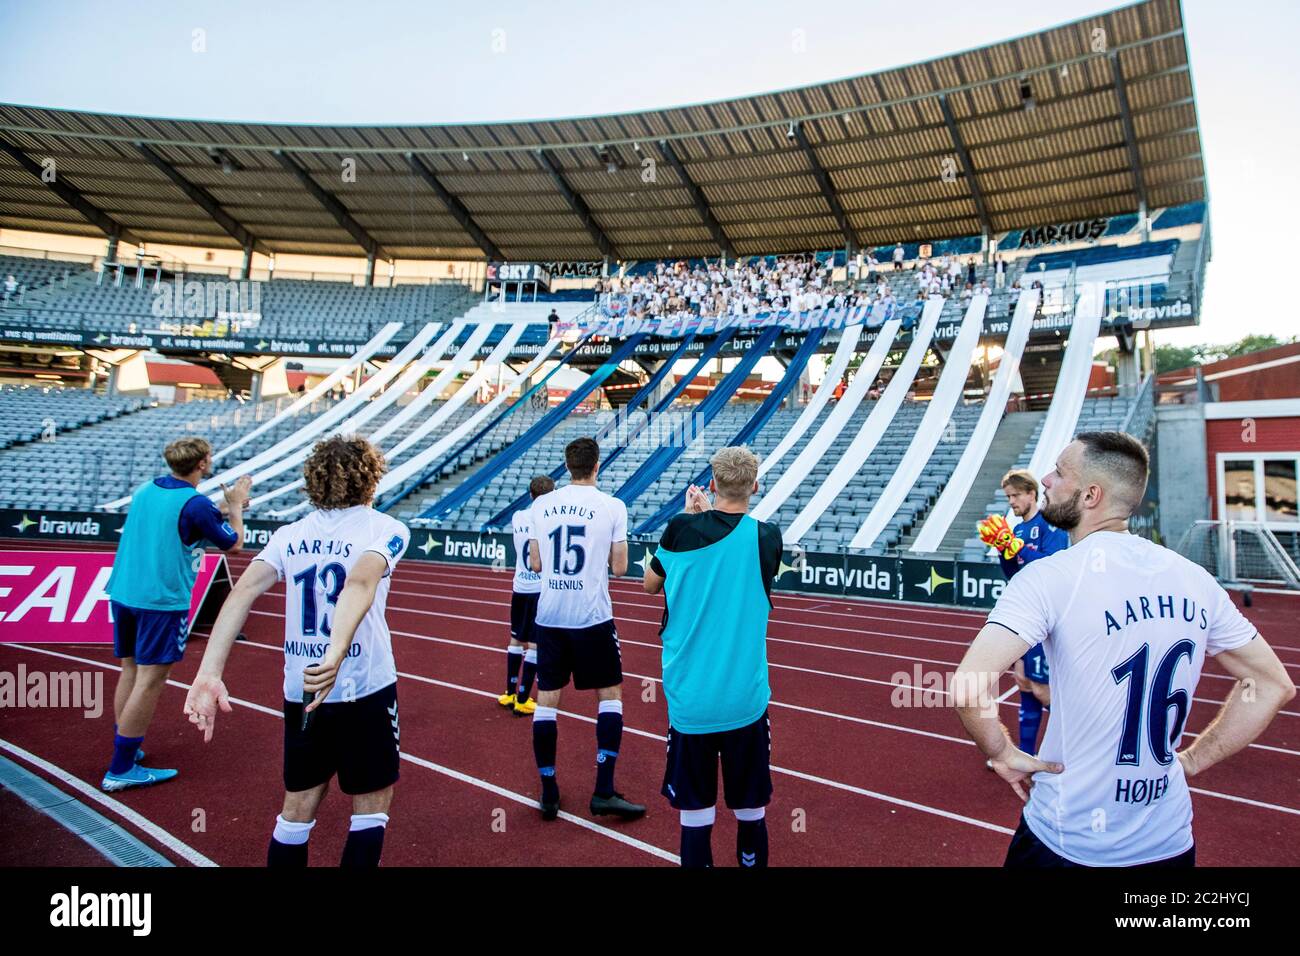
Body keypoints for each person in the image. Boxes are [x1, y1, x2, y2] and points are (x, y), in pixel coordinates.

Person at [953, 432, 1295, 867]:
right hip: (1168, 842)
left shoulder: (1049, 578)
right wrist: (1188, 762)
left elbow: (968, 687)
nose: (1047, 479)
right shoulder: (1196, 580)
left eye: (1059, 472)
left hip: (1066, 839)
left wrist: (1000, 753)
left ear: (1091, 494)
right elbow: (1272, 685)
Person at [183, 435, 410, 868]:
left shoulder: (289, 535)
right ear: (371, 479)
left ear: (313, 480)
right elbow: (360, 582)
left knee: (297, 808)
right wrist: (336, 652)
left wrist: (209, 671)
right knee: (372, 804)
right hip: (363, 686)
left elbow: (241, 593)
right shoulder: (385, 528)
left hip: (301, 690)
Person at [643, 447, 781, 867]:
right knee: (751, 809)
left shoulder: (679, 532)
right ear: (755, 486)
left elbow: (650, 583)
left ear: (713, 484)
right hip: (745, 699)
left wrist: (692, 518)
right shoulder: (767, 537)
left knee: (695, 813)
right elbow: (734, 548)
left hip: (692, 700)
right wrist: (703, 520)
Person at [101, 437, 248, 792]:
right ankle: (120, 767)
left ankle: (127, 749)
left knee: (130, 669)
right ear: (202, 464)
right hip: (161, 601)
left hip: (124, 590)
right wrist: (236, 507)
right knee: (151, 680)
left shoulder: (145, 491)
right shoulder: (196, 505)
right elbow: (235, 543)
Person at [527, 437, 645, 821]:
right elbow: (621, 568)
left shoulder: (541, 504)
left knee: (547, 701)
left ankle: (548, 788)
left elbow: (536, 563)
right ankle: (604, 789)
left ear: (567, 465)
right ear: (597, 466)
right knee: (609, 696)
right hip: (592, 617)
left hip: (549, 616)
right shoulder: (613, 506)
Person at [978, 469, 1068, 759]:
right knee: (1025, 687)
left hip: (1046, 618)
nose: (1012, 502)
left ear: (1032, 494)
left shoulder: (1050, 525)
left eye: (1016, 495)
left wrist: (1019, 548)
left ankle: (1085, 739)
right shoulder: (1016, 530)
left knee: (1041, 690)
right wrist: (1004, 548)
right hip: (1024, 616)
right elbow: (1013, 575)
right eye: (1008, 497)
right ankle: (1026, 755)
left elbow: (1052, 567)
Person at [500, 474, 555, 716]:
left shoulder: (517, 517)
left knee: (515, 639)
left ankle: (509, 693)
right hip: (539, 589)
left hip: (519, 586)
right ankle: (523, 698)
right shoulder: (549, 520)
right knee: (534, 645)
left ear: (531, 494)